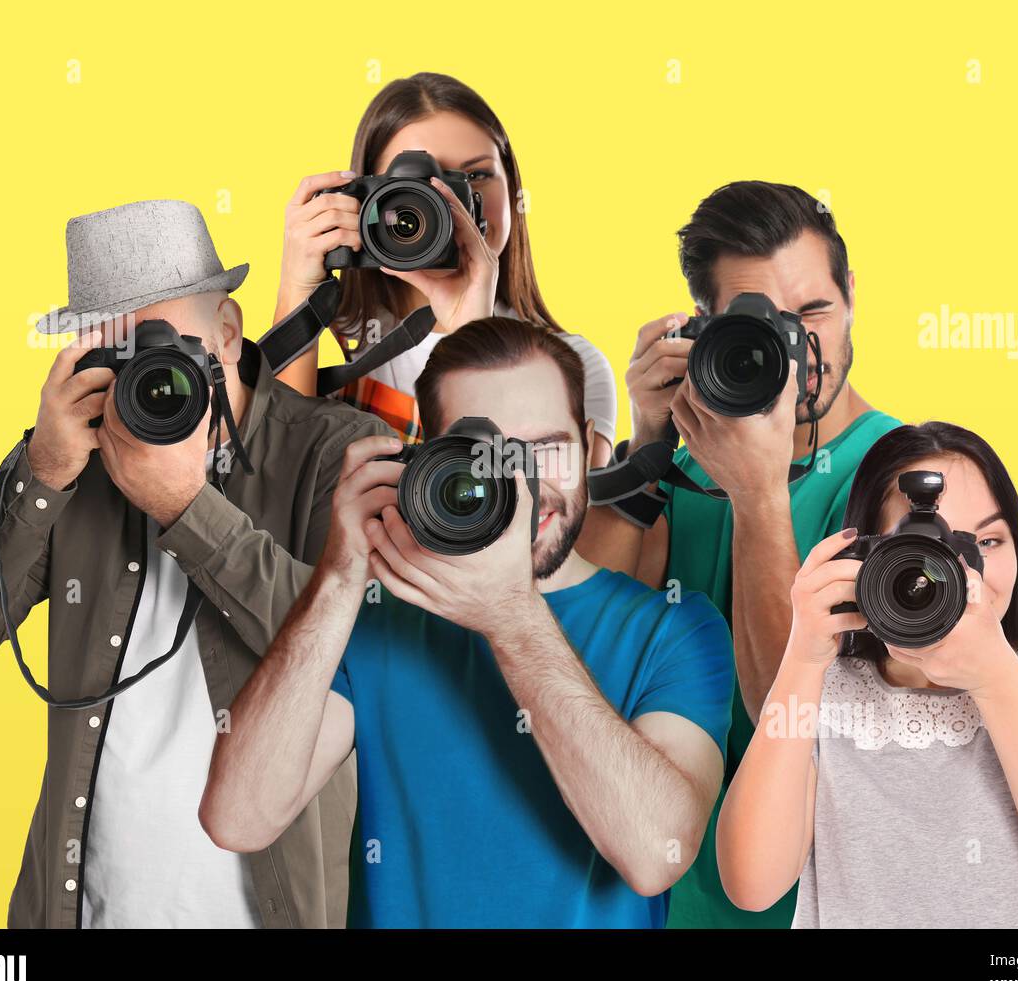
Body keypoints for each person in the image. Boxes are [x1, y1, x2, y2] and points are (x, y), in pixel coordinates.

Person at [0, 200, 392, 929]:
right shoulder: (68, 459)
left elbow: (366, 657)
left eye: (166, 345)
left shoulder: (335, 452)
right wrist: (40, 475)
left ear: (228, 334)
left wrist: (187, 508)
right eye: (116, 355)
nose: (149, 376)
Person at [200, 317, 735, 928]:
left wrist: (510, 614)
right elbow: (238, 818)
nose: (523, 486)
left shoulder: (676, 630)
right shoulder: (379, 622)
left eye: (543, 450)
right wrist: (337, 576)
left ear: (590, 448)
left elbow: (656, 853)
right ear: (427, 462)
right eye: (485, 456)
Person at [579, 181, 904, 927]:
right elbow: (590, 655)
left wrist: (759, 495)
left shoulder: (898, 472)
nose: (801, 350)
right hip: (667, 899)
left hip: (812, 905)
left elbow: (784, 714)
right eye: (769, 325)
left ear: (851, 293)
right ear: (708, 328)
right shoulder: (691, 465)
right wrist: (648, 443)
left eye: (816, 312)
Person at [716, 421, 1018, 927]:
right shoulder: (826, 689)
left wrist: (997, 680)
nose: (961, 574)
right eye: (926, 550)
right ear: (868, 561)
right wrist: (802, 659)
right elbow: (751, 883)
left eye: (988, 540)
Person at [271, 70, 618, 466]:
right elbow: (277, 485)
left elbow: (546, 524)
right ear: (368, 199)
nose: (449, 202)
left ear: (511, 189)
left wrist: (473, 332)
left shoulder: (570, 366)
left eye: (475, 175)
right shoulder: (328, 341)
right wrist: (297, 292)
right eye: (419, 186)